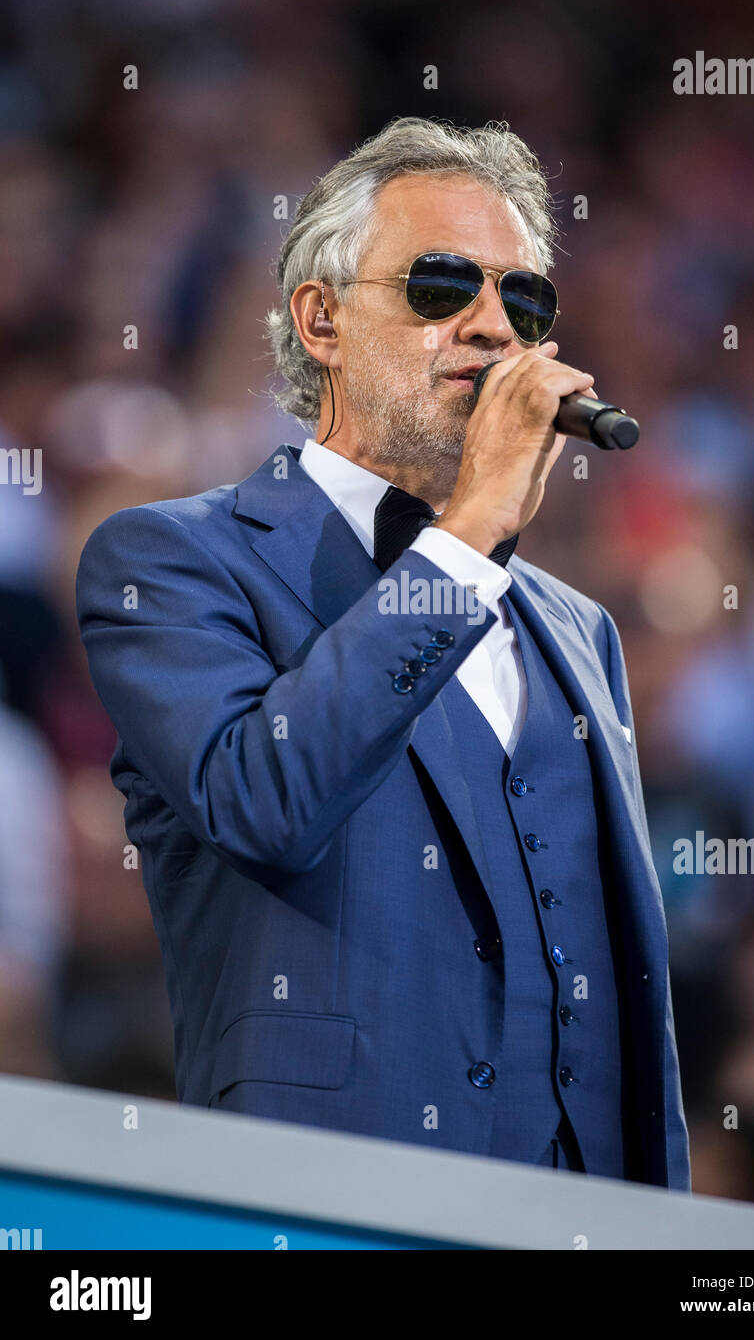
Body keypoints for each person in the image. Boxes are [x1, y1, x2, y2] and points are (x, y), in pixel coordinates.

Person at [76, 117, 690, 1187]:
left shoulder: (579, 628)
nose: (494, 328)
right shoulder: (172, 560)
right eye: (441, 286)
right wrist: (466, 534)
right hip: (330, 1206)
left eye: (524, 299)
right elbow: (265, 802)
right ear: (320, 321)